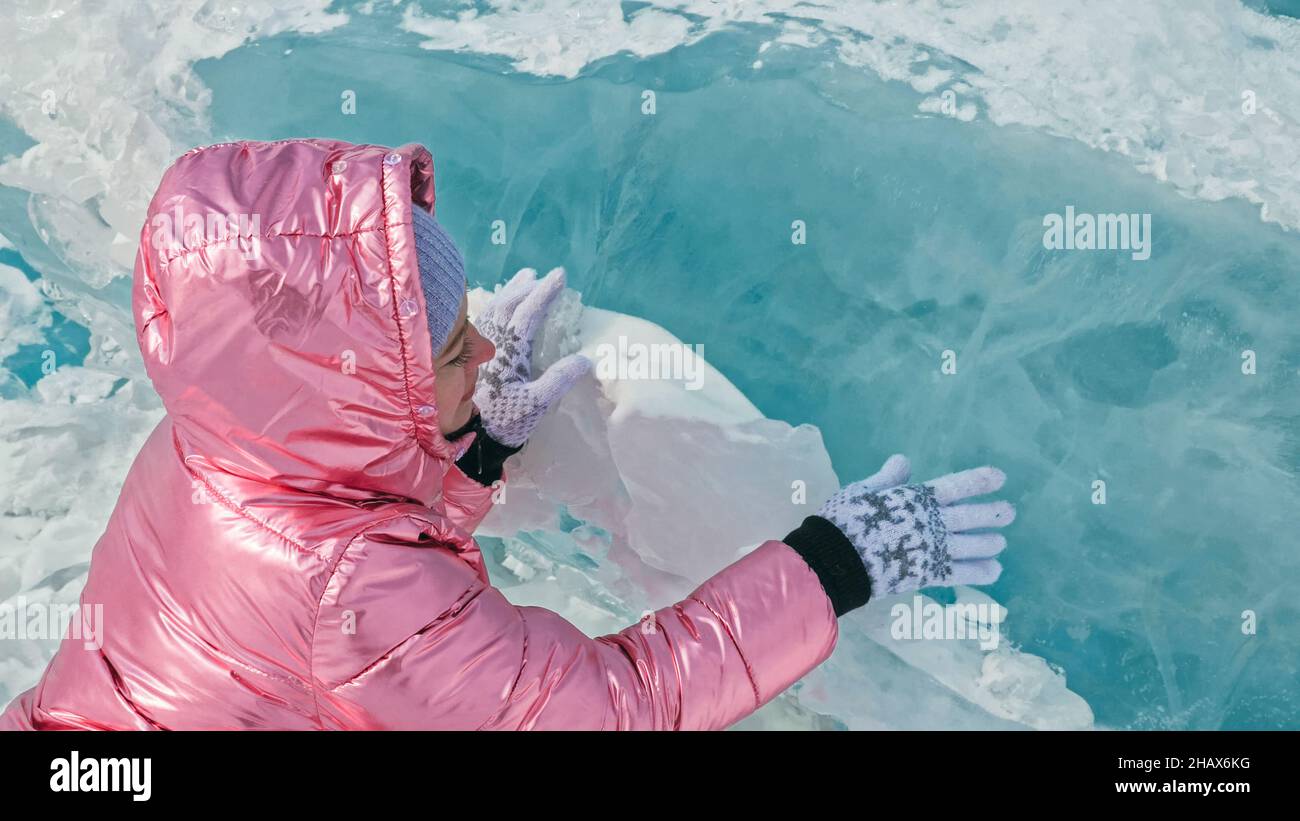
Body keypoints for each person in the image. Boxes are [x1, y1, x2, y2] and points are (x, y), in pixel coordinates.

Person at [0, 138, 1013, 730]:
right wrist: (829, 564)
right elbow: (612, 708)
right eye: (448, 351)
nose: (483, 348)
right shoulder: (363, 590)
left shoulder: (211, 441)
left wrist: (468, 451)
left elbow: (334, 530)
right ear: (351, 393)